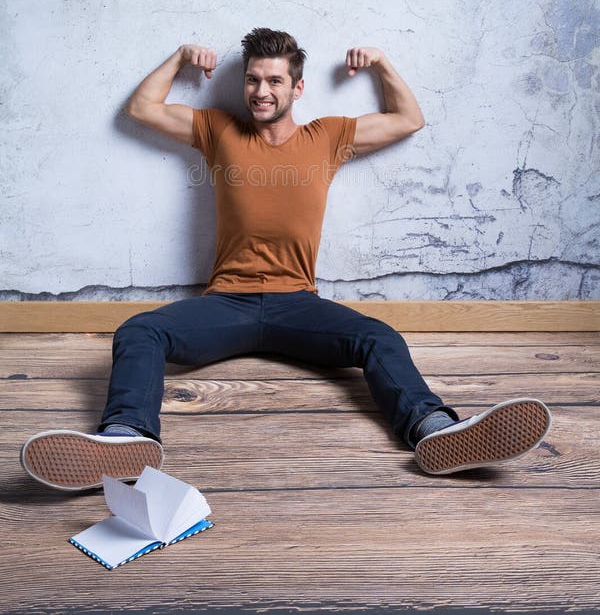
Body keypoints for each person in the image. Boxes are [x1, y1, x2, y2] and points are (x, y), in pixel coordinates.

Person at [20, 29, 551, 491]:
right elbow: (140, 110)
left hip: (299, 306)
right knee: (140, 331)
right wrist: (180, 57)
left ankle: (434, 430)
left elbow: (408, 119)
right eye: (253, 79)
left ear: (297, 87)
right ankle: (125, 437)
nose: (261, 91)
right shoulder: (217, 129)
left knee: (379, 336)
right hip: (225, 304)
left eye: (274, 81)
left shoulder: (329, 136)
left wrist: (383, 63)